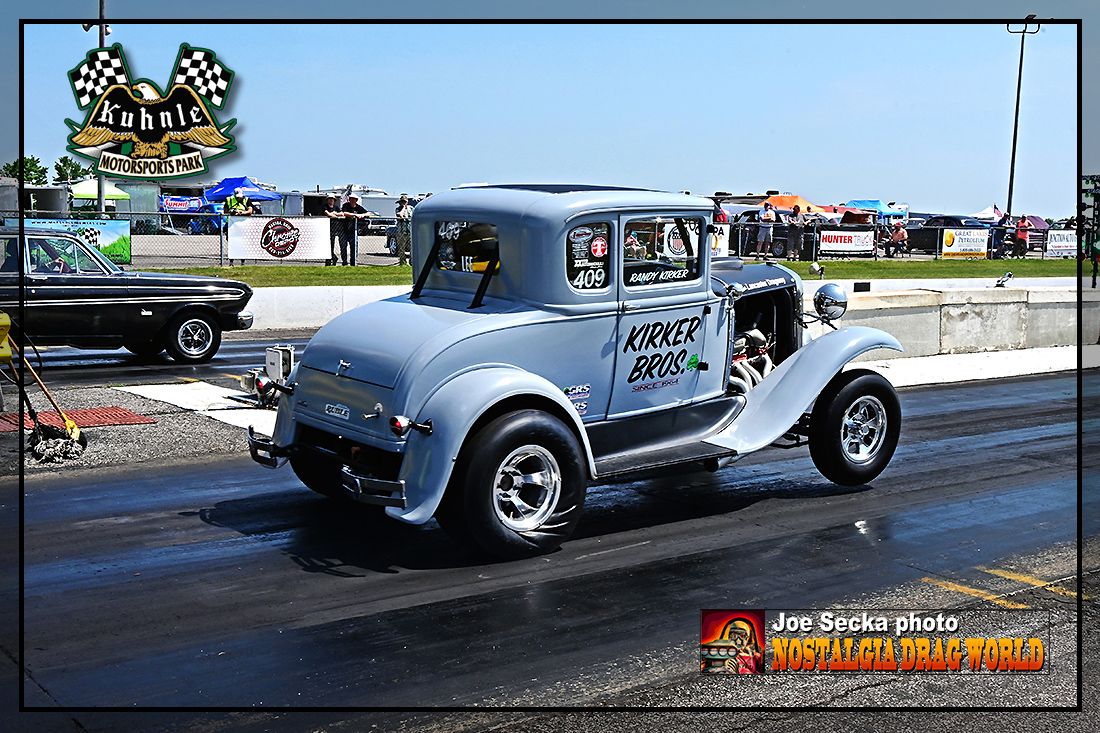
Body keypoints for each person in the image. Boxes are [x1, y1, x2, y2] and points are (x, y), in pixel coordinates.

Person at [339, 193, 369, 266]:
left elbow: (368, 213)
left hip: (353, 231)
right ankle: (344, 262)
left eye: (354, 199)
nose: (352, 200)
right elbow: (344, 213)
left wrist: (363, 215)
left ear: (356, 200)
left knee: (353, 248)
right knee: (343, 247)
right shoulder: (346, 205)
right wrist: (355, 215)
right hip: (344, 231)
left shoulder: (359, 207)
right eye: (351, 199)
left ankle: (353, 263)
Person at [322, 195, 343, 266]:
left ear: (334, 200)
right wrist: (335, 215)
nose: (331, 200)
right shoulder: (325, 206)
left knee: (331, 245)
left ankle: (330, 260)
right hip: (325, 228)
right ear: (327, 200)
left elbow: (342, 214)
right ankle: (332, 258)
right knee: (326, 245)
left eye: (332, 199)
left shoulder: (336, 207)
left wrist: (335, 213)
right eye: (329, 199)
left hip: (334, 229)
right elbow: (328, 214)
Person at [395, 193, 414, 267]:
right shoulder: (398, 209)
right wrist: (403, 208)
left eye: (404, 202)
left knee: (412, 248)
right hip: (401, 231)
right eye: (402, 202)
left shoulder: (411, 208)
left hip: (410, 230)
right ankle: (403, 262)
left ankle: (412, 262)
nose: (403, 203)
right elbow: (400, 215)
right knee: (401, 248)